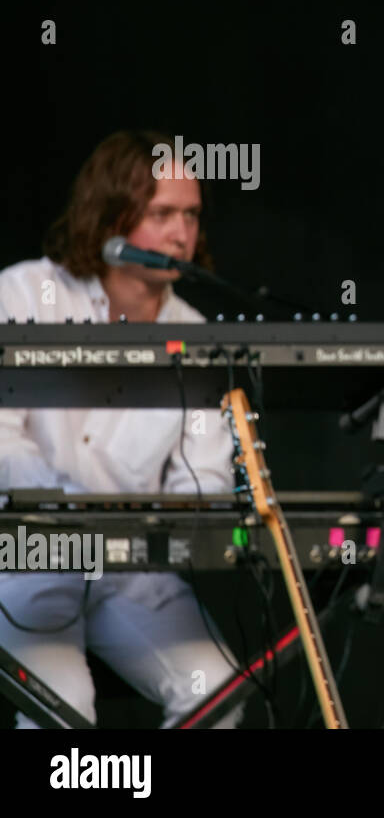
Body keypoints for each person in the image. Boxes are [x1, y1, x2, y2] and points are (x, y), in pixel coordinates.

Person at [0, 130, 242, 728]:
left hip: (134, 572)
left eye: (190, 214)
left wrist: (171, 521)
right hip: (29, 558)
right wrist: (77, 508)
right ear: (110, 215)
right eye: (161, 213)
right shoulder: (26, 291)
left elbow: (205, 480)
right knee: (59, 711)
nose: (180, 232)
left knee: (218, 693)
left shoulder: (198, 333)